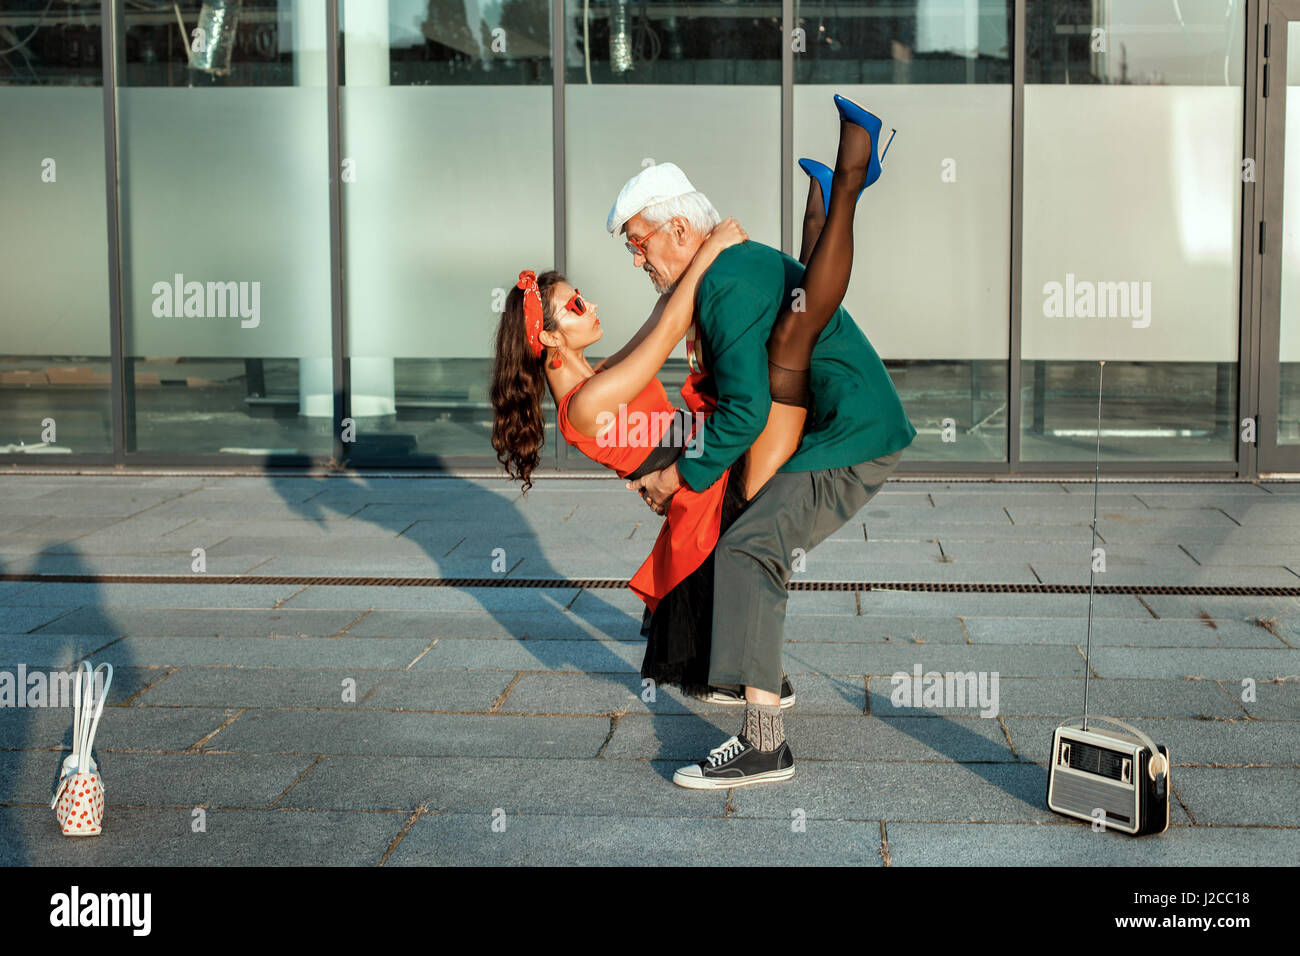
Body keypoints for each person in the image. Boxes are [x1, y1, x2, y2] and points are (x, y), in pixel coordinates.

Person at [615, 93, 918, 789]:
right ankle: (765, 681)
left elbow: (747, 411)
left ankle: (764, 745)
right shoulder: (731, 268)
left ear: (681, 228)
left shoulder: (724, 284)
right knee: (752, 535)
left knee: (753, 547)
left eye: (638, 241)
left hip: (851, 435)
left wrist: (678, 475)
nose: (636, 258)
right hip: (838, 425)